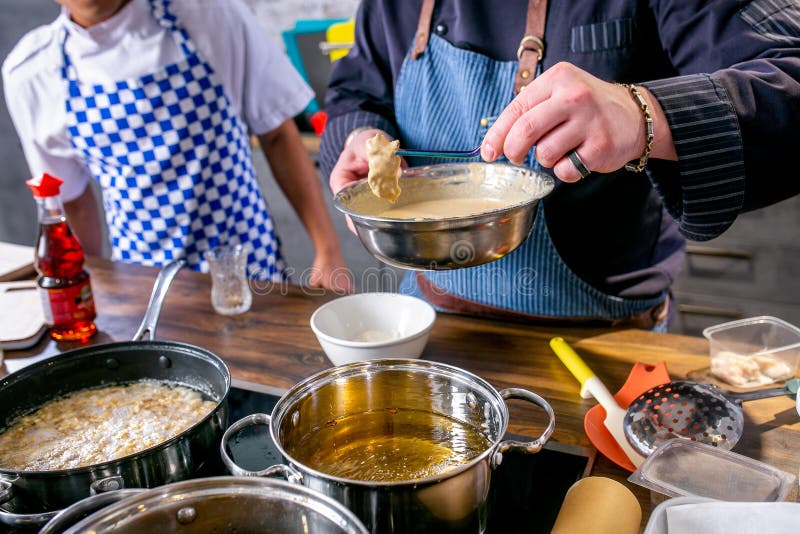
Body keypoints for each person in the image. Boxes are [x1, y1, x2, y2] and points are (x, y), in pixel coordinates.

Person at [321, 0, 800, 330]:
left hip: (601, 340)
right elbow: (356, 90)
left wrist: (642, 113)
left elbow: (790, 78)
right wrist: (361, 136)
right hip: (427, 323)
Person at [3, 0, 352, 291]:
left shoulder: (210, 15)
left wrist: (328, 250)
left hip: (251, 270)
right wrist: (88, 289)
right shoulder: (33, 73)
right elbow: (72, 201)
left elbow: (277, 134)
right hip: (143, 284)